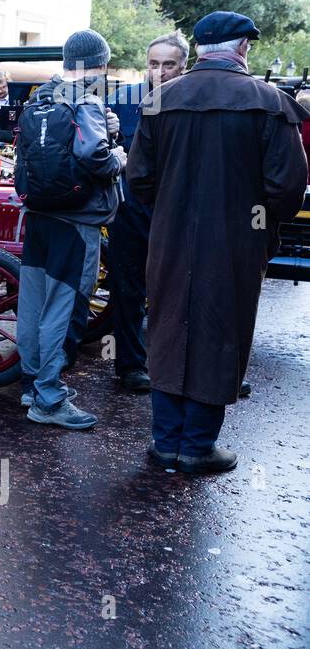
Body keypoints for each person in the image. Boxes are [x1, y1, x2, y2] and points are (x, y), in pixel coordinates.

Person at [127, 11, 307, 474]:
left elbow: (139, 179)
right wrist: (261, 226)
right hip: (236, 240)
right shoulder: (269, 101)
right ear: (243, 48)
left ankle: (167, 443)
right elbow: (288, 186)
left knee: (167, 326)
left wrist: (167, 213)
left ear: (200, 48)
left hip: (169, 236)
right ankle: (197, 447)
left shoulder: (162, 99)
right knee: (221, 332)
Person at [14, 29, 125, 430]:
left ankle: (31, 384)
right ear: (101, 62)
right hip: (78, 220)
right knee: (67, 307)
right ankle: (48, 397)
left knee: (32, 305)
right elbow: (94, 156)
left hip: (40, 215)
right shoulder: (87, 99)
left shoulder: (40, 97)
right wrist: (119, 156)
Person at [104, 30, 189, 393]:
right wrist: (107, 130)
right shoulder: (123, 99)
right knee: (128, 289)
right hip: (131, 209)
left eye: (168, 64)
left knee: (183, 291)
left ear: (184, 65)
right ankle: (129, 366)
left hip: (179, 211)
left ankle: (187, 369)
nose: (159, 71)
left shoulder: (192, 100)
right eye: (153, 64)